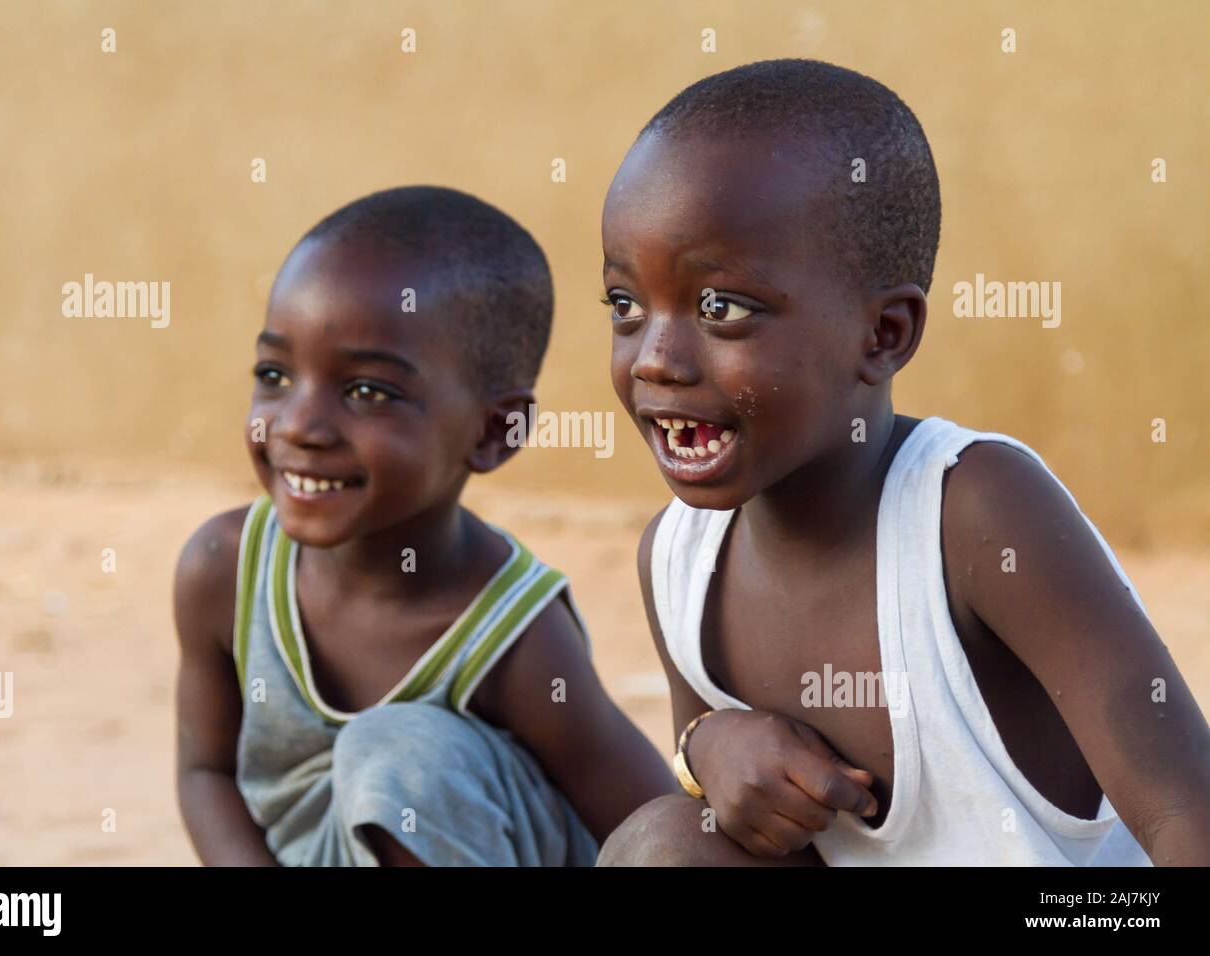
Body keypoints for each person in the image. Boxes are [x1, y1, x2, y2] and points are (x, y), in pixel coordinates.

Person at [596, 60, 1210, 866]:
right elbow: (714, 805)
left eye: (723, 309)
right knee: (665, 847)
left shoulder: (978, 515)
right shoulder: (678, 559)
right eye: (625, 306)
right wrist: (706, 745)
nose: (656, 359)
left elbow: (1186, 816)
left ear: (884, 334)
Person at [174, 186, 674, 866]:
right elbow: (206, 772)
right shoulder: (223, 569)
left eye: (367, 392)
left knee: (396, 754)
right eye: (275, 374)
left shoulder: (513, 638)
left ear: (496, 431)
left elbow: (650, 822)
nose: (298, 425)